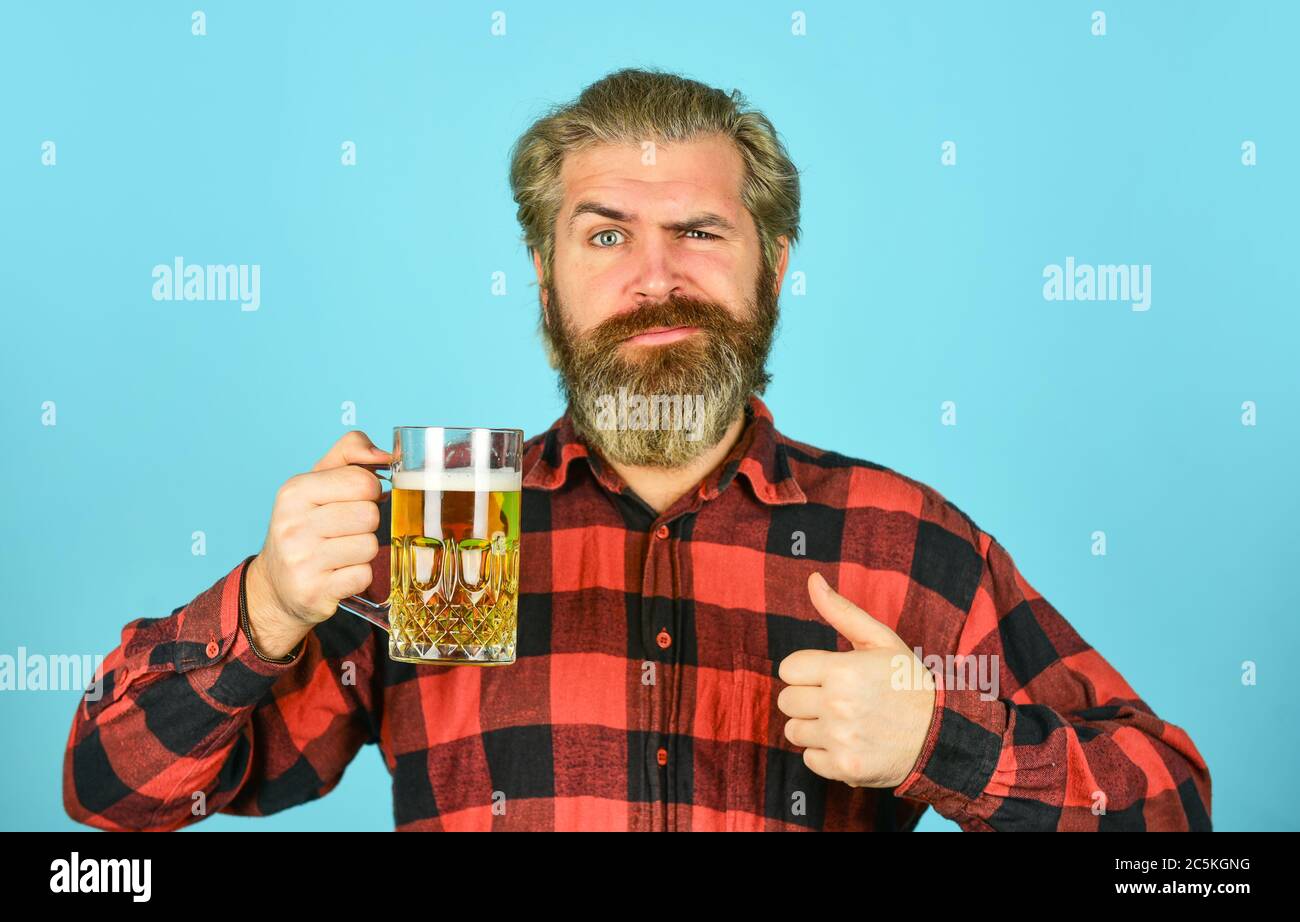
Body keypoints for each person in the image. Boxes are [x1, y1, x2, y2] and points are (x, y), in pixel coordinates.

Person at [63, 68, 1211, 831]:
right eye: (605, 233)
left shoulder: (905, 544)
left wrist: (938, 739)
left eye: (699, 232)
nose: (652, 277)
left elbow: (1175, 818)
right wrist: (265, 606)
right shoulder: (440, 523)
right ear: (545, 274)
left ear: (774, 260)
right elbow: (110, 795)